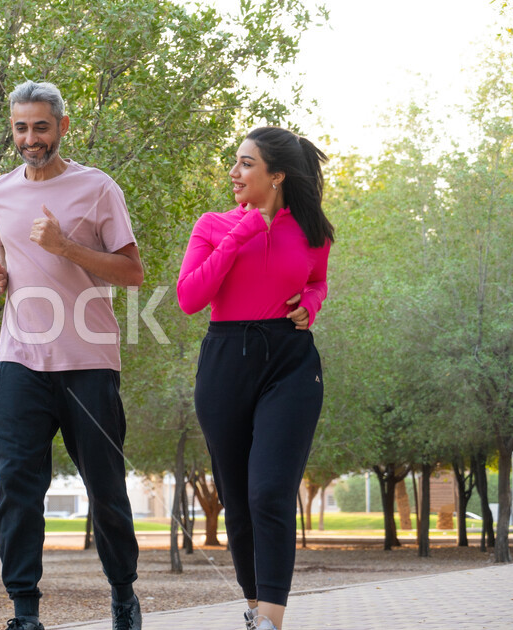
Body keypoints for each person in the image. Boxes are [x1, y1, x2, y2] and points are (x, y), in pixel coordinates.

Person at [0, 80, 144, 630]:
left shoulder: (97, 188)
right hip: (19, 361)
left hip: (87, 362)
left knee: (105, 487)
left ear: (62, 127)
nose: (31, 138)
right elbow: (2, 254)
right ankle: (24, 613)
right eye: (21, 128)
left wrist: (65, 247)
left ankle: (123, 593)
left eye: (41, 127)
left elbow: (132, 273)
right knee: (16, 488)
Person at [176, 127, 334, 630]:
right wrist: (241, 233)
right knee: (238, 499)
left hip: (290, 363)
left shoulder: (312, 232)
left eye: (246, 163)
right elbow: (189, 298)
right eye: (236, 162)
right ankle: (254, 608)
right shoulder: (213, 225)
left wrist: (311, 304)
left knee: (270, 492)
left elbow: (317, 279)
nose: (234, 171)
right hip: (226, 360)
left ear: (277, 175)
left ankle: (271, 619)